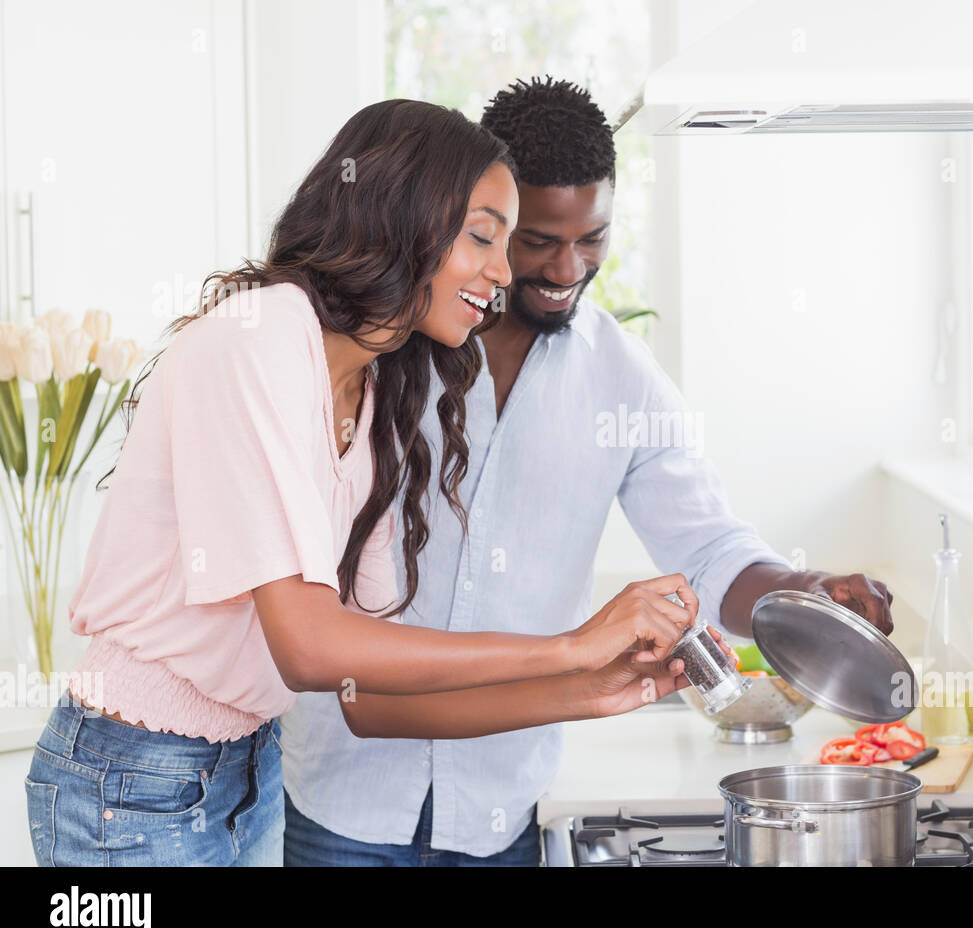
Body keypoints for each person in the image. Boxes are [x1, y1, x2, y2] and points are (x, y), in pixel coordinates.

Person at [23, 99, 706, 868]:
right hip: (132, 780)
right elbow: (310, 649)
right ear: (400, 214)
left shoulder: (380, 394)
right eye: (483, 236)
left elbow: (366, 697)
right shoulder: (262, 338)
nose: (504, 271)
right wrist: (569, 647)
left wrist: (594, 687)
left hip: (247, 772)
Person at [279, 78, 896, 868]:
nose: (568, 267)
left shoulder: (622, 379)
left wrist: (802, 594)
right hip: (341, 797)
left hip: (499, 811)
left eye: (593, 237)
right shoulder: (385, 346)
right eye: (536, 240)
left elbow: (709, 549)